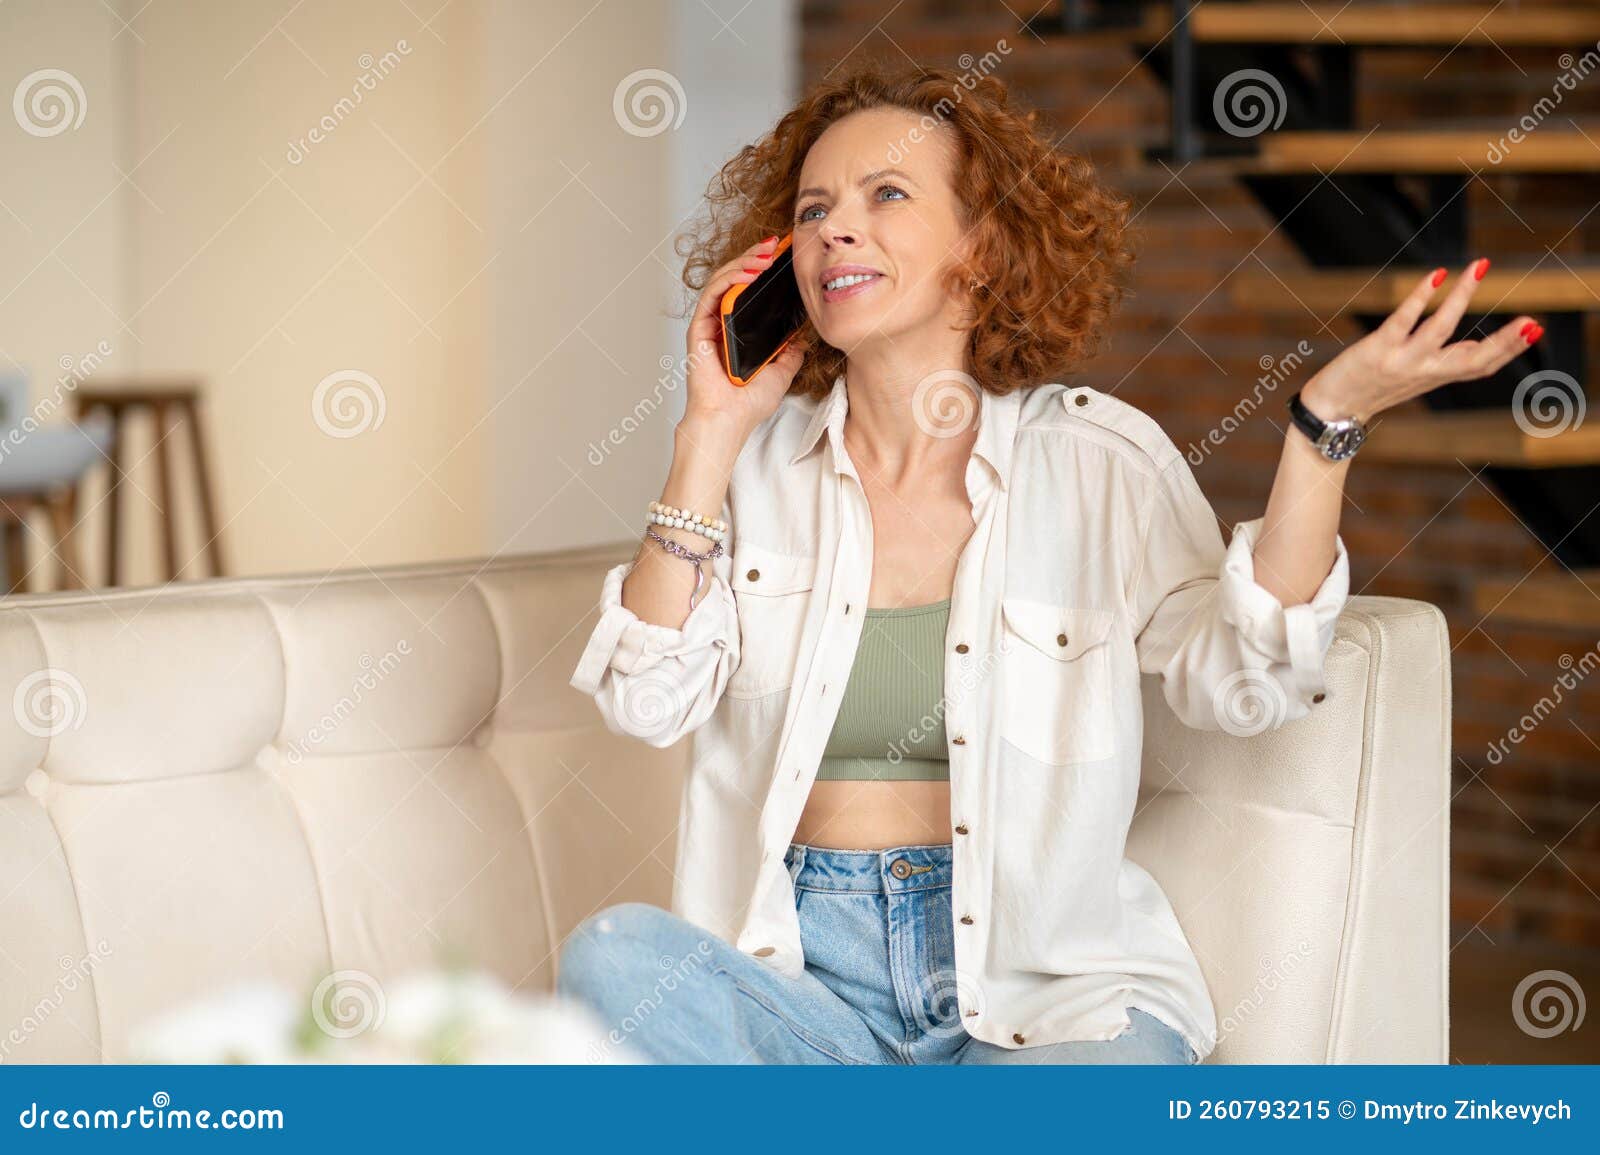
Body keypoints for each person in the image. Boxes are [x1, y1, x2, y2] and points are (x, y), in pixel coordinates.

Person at [562, 61, 1542, 1066]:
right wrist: (709, 432)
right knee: (613, 958)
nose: (833, 230)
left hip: (1043, 997)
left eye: (885, 194)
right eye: (812, 210)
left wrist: (1321, 429)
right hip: (805, 985)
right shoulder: (756, 466)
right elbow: (647, 699)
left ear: (982, 247)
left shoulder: (1098, 459)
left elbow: (1247, 679)